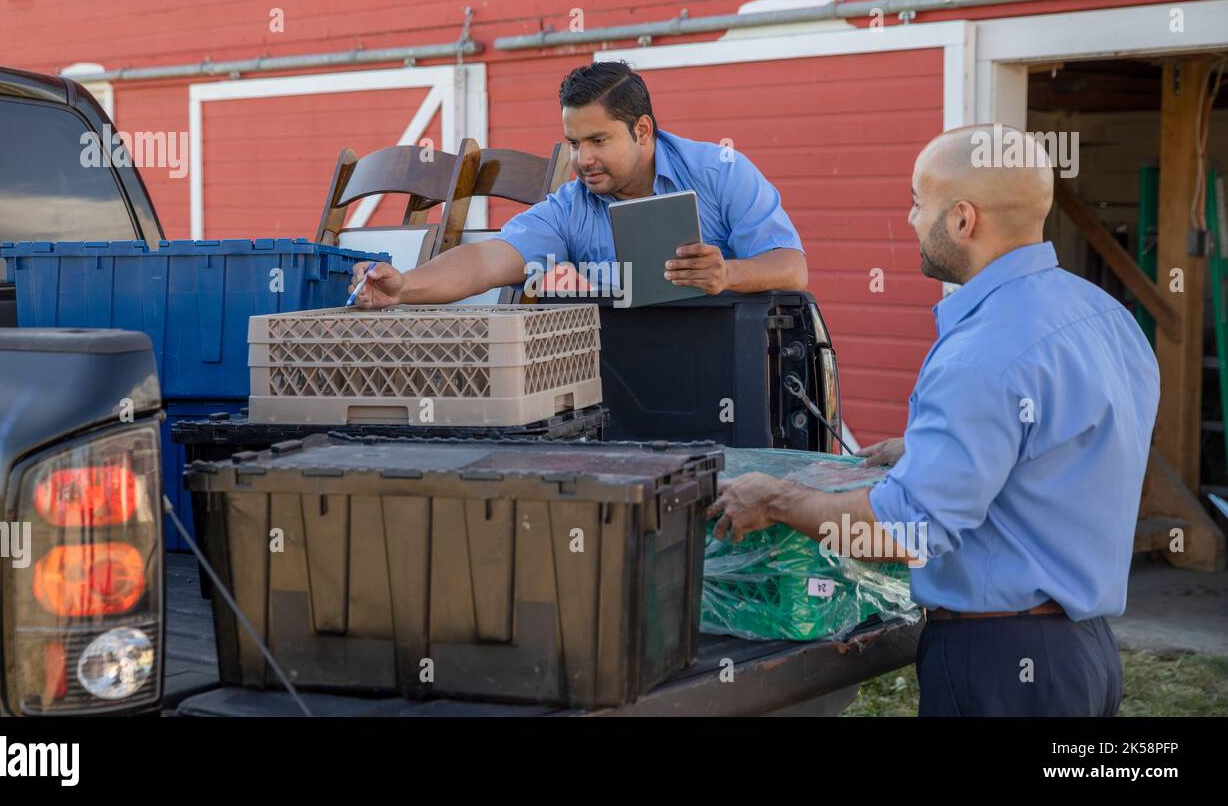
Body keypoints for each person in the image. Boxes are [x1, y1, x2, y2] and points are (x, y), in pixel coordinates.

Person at [708, 124, 1160, 717]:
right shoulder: (1105, 315)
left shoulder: (983, 352)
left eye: (919, 203)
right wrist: (928, 454)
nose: (910, 220)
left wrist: (776, 500)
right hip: (1086, 655)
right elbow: (1064, 451)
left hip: (1001, 666)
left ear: (963, 220)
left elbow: (902, 533)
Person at [348, 61, 806, 307]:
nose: (582, 159)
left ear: (642, 131)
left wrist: (728, 275)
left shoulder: (720, 171)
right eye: (573, 142)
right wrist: (405, 286)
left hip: (727, 370)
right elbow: (488, 260)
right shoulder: (570, 206)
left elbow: (791, 268)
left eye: (598, 140)